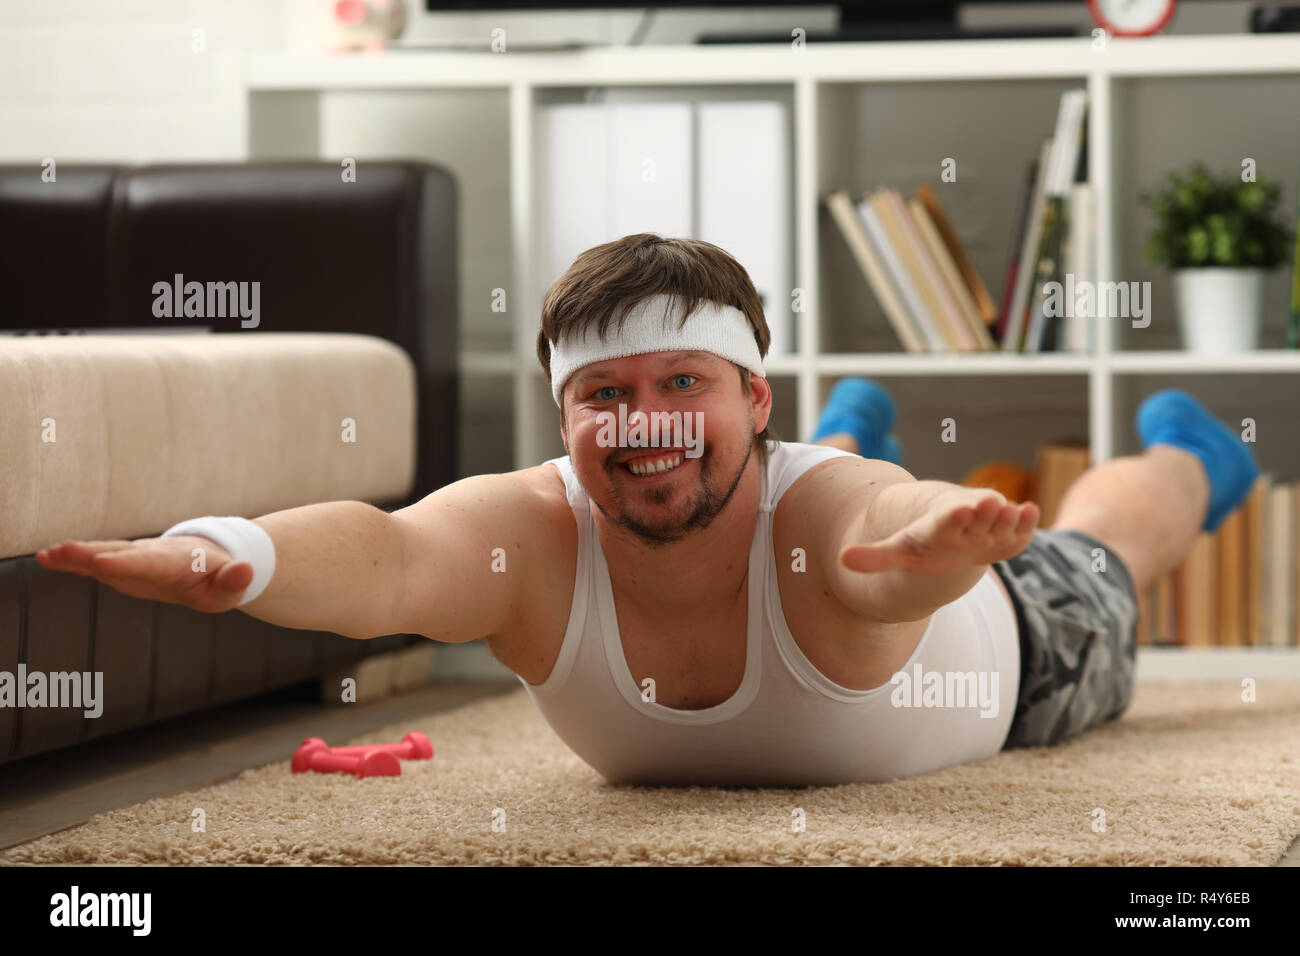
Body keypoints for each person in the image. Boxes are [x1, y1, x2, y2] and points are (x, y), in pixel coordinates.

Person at [37, 234, 1260, 787]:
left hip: (1018, 643)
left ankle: (1194, 452)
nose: (645, 421)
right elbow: (393, 553)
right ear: (563, 422)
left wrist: (945, 545)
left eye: (685, 383)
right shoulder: (533, 531)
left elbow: (887, 539)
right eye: (605, 394)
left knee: (1105, 549)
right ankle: (855, 411)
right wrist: (232, 554)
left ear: (750, 396)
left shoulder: (831, 507)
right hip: (811, 483)